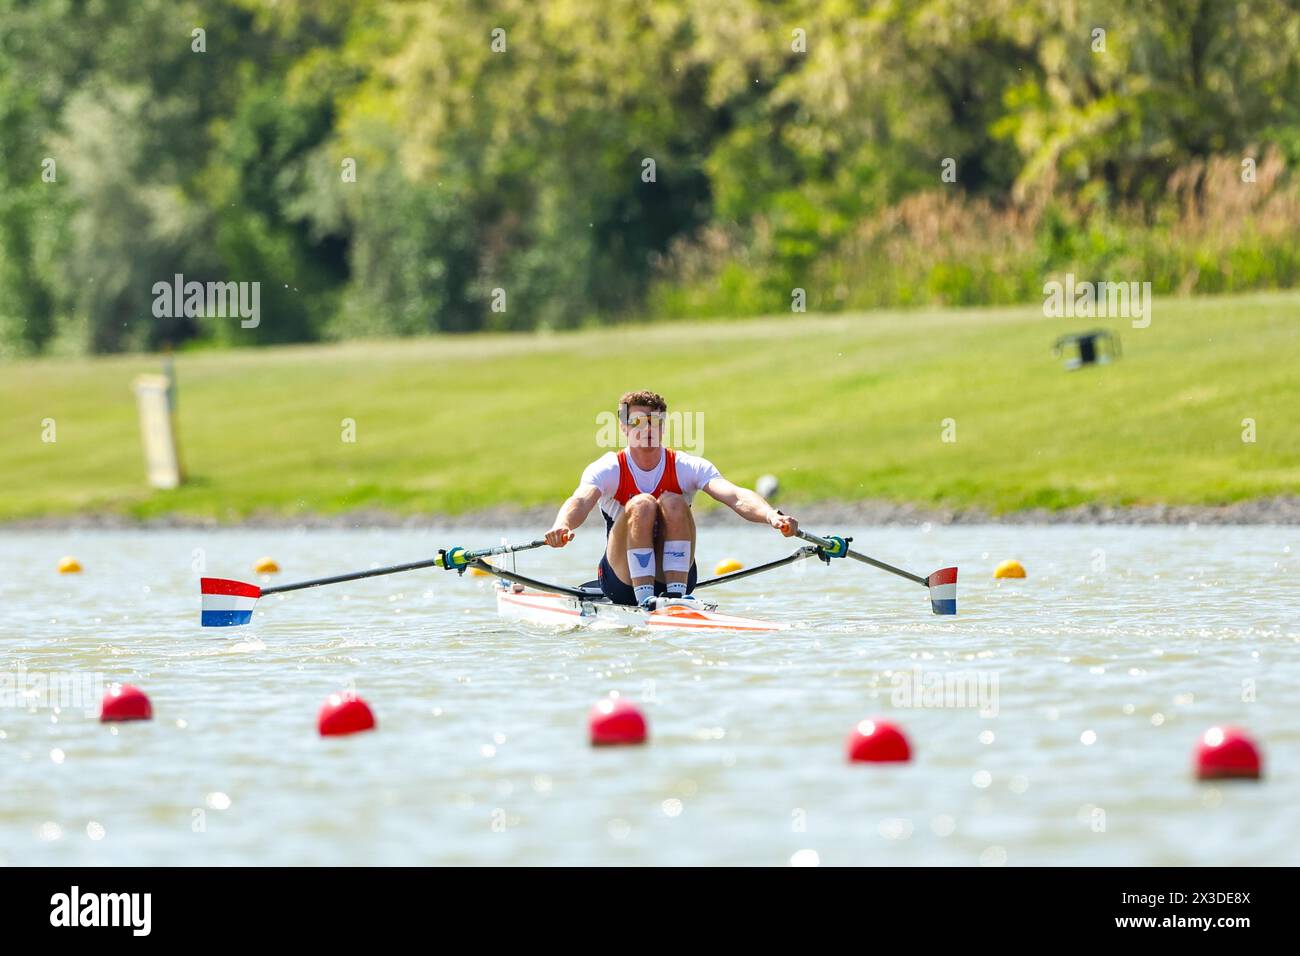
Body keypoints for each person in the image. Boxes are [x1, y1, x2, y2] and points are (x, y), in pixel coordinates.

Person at [544, 390, 799, 608]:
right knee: (643, 503)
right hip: (621, 581)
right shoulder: (609, 467)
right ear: (623, 427)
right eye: (637, 422)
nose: (647, 429)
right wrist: (561, 526)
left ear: (663, 426)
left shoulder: (687, 466)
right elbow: (580, 501)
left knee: (673, 502)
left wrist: (771, 516)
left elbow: (735, 496)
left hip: (676, 577)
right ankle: (645, 599)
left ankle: (676, 599)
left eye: (654, 421)